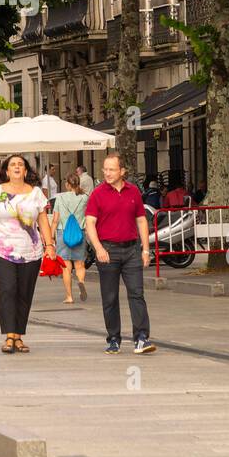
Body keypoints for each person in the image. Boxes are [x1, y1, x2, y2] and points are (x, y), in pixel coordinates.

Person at [0, 154, 55, 355]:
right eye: (13, 164)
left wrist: (50, 245)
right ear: (7, 171)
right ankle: (9, 335)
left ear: (26, 171)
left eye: (21, 164)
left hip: (31, 252)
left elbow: (43, 221)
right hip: (2, 250)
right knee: (8, 288)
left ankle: (18, 335)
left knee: (24, 292)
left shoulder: (36, 193)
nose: (17, 167)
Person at [85, 152, 154, 355]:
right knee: (110, 297)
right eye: (105, 169)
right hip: (108, 250)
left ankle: (141, 338)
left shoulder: (133, 192)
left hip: (132, 249)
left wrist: (146, 249)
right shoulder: (97, 193)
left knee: (137, 294)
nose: (107, 173)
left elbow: (141, 220)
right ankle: (113, 338)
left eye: (112, 169)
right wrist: (98, 248)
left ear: (122, 171)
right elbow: (90, 223)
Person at [51, 174, 89, 304]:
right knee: (80, 264)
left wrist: (50, 237)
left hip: (63, 234)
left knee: (66, 267)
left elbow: (55, 220)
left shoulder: (60, 198)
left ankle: (69, 296)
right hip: (80, 233)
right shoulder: (85, 198)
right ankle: (81, 281)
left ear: (67, 184)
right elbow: (89, 217)